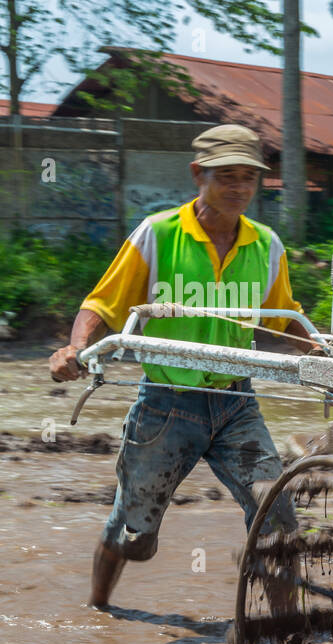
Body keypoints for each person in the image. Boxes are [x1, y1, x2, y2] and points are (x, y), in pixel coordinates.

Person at [48, 124, 315, 608]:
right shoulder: (158, 234)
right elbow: (103, 305)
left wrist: (318, 351)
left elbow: (281, 319)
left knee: (278, 515)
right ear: (198, 174)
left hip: (236, 403)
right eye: (226, 177)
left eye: (247, 179)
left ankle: (285, 633)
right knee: (134, 531)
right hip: (167, 406)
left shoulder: (266, 245)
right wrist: (75, 348)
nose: (238, 188)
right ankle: (100, 609)